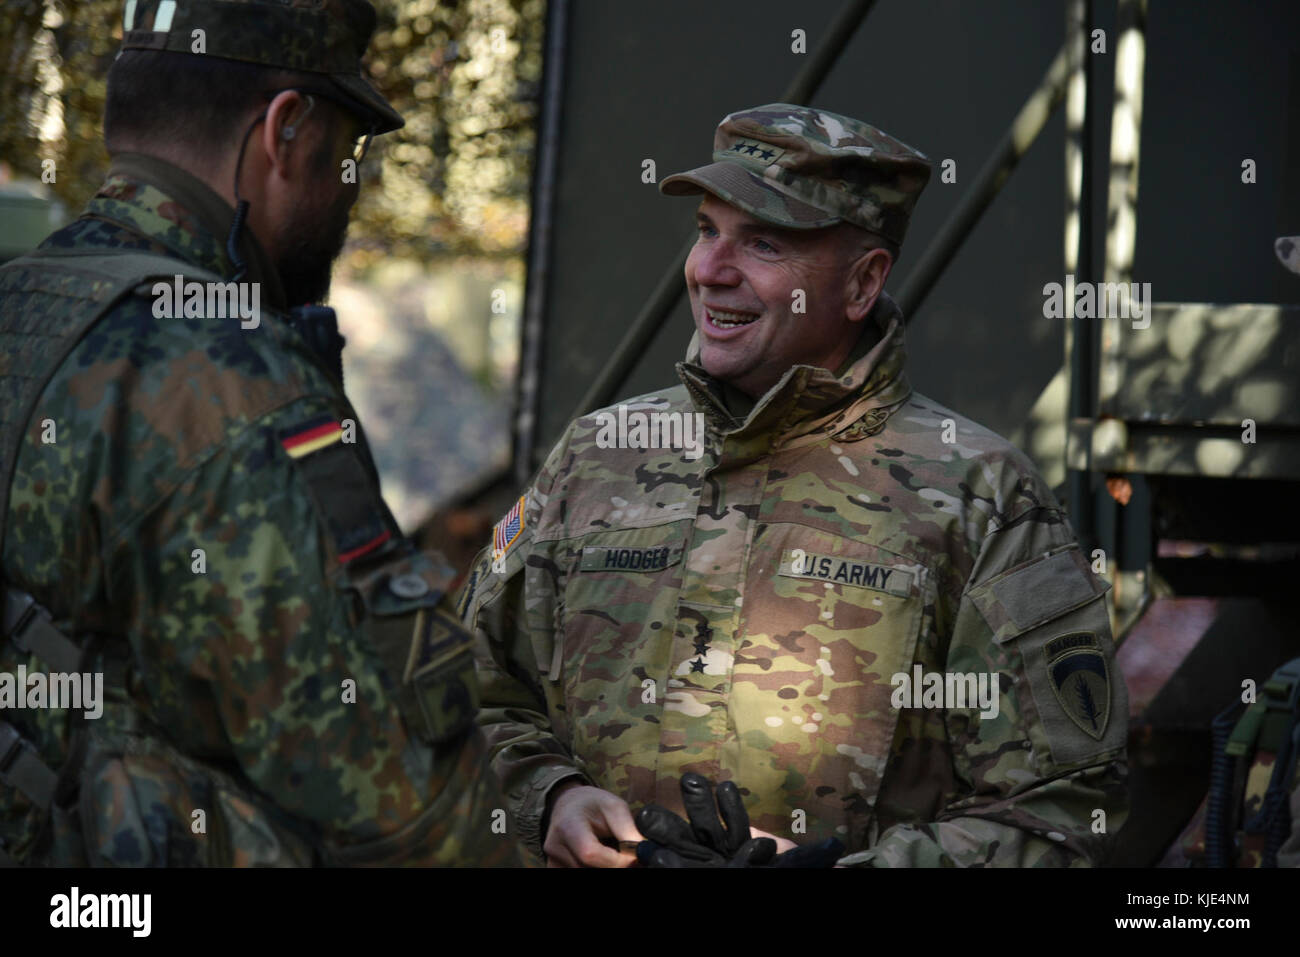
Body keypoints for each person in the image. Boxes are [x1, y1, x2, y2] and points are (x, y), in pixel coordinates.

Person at [461, 104, 1129, 867]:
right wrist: (550, 795)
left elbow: (1065, 813)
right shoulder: (597, 454)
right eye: (707, 230)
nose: (710, 269)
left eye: (764, 243)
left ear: (861, 282)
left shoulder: (983, 498)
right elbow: (466, 696)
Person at [0, 0, 520, 867]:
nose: (354, 189)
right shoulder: (233, 380)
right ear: (285, 131)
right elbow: (408, 815)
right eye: (350, 154)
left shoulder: (19, 302)